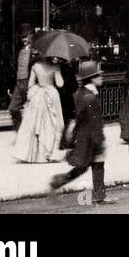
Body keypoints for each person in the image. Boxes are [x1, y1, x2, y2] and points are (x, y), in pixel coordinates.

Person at [50, 59, 111, 204]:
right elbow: (95, 123)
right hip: (91, 138)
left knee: (82, 168)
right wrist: (100, 141)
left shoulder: (80, 93)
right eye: (98, 75)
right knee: (97, 165)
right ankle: (99, 196)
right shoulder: (91, 97)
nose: (101, 77)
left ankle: (57, 182)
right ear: (91, 78)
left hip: (83, 138)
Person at [12, 54, 65, 163]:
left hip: (38, 95)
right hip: (51, 94)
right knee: (51, 124)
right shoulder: (55, 66)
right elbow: (60, 84)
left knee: (36, 124)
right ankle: (49, 153)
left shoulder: (35, 66)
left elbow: (30, 84)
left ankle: (35, 155)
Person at [8, 26, 33, 131]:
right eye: (22, 37)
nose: (24, 39)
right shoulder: (21, 51)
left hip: (29, 82)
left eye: (26, 36)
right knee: (13, 108)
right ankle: (21, 131)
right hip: (20, 82)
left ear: (31, 36)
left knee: (33, 110)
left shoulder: (35, 51)